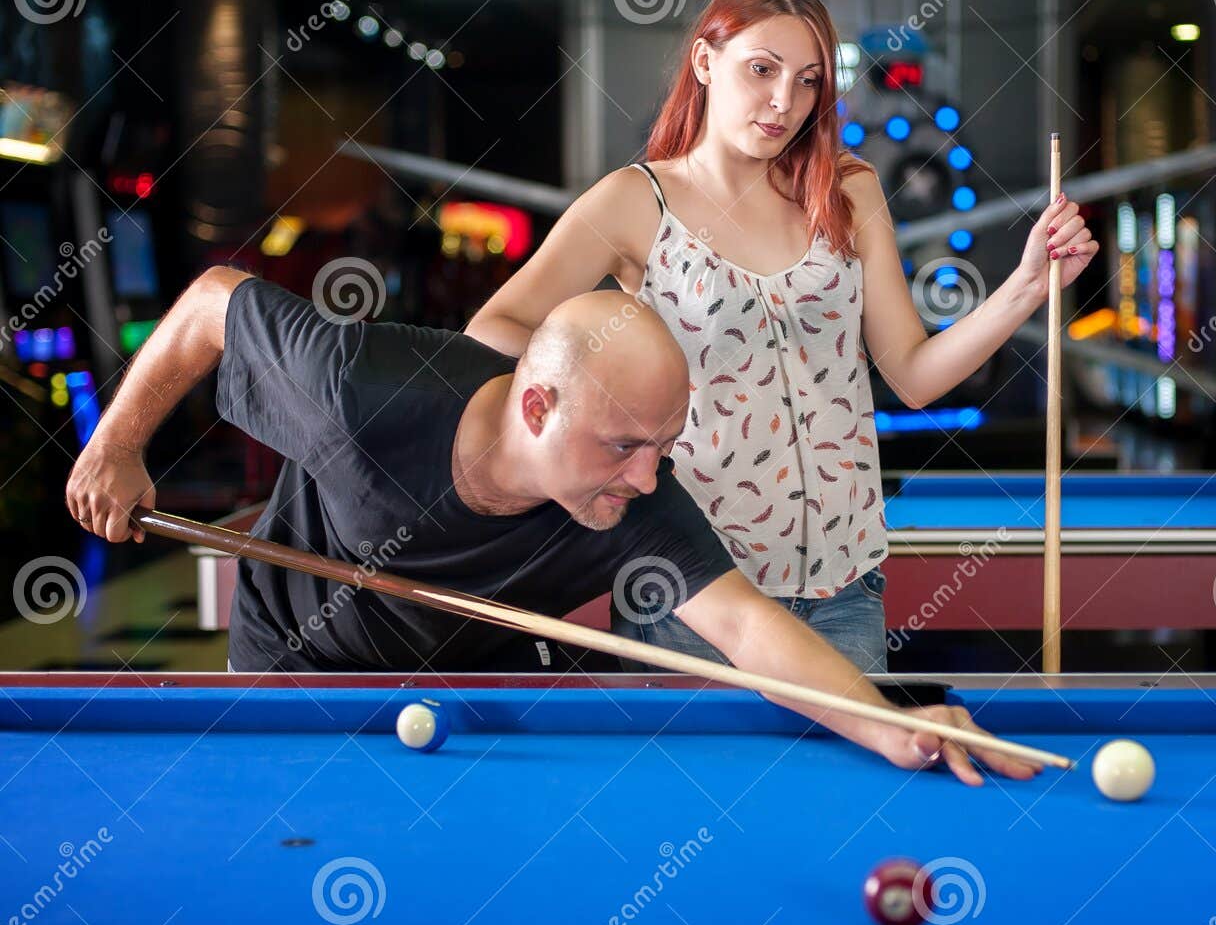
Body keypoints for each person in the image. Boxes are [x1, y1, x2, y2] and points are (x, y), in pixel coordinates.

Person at [66, 267, 1038, 786]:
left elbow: (742, 624)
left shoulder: (633, 493)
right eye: (622, 444)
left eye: (662, 443)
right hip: (289, 669)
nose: (647, 473)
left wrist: (884, 721)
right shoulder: (361, 390)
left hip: (467, 705)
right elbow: (205, 308)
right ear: (535, 411)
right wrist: (115, 447)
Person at [468, 0, 1097, 673]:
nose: (783, 102)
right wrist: (599, 400)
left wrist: (1025, 287)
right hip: (693, 588)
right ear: (706, 62)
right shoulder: (635, 201)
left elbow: (913, 378)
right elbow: (496, 327)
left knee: (851, 786)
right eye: (761, 70)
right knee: (693, 785)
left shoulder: (847, 190)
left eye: (807, 81)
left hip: (843, 589)